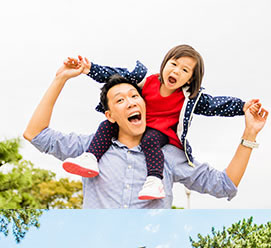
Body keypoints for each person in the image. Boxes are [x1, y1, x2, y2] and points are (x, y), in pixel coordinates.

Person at [23, 58, 265, 209]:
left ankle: (154, 180)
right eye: (120, 100)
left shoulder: (168, 155)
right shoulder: (91, 145)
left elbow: (224, 185)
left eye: (134, 96)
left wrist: (250, 133)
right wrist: (60, 79)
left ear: (145, 104)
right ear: (110, 115)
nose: (130, 102)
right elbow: (35, 135)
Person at [62, 46, 252, 200]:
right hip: (137, 123)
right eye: (174, 64)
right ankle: (91, 158)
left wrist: (242, 107)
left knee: (150, 140)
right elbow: (116, 75)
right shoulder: (146, 80)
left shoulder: (190, 98)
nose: (176, 71)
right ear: (165, 63)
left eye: (185, 70)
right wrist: (89, 69)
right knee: (106, 126)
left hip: (160, 132)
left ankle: (154, 180)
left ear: (190, 79)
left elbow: (216, 105)